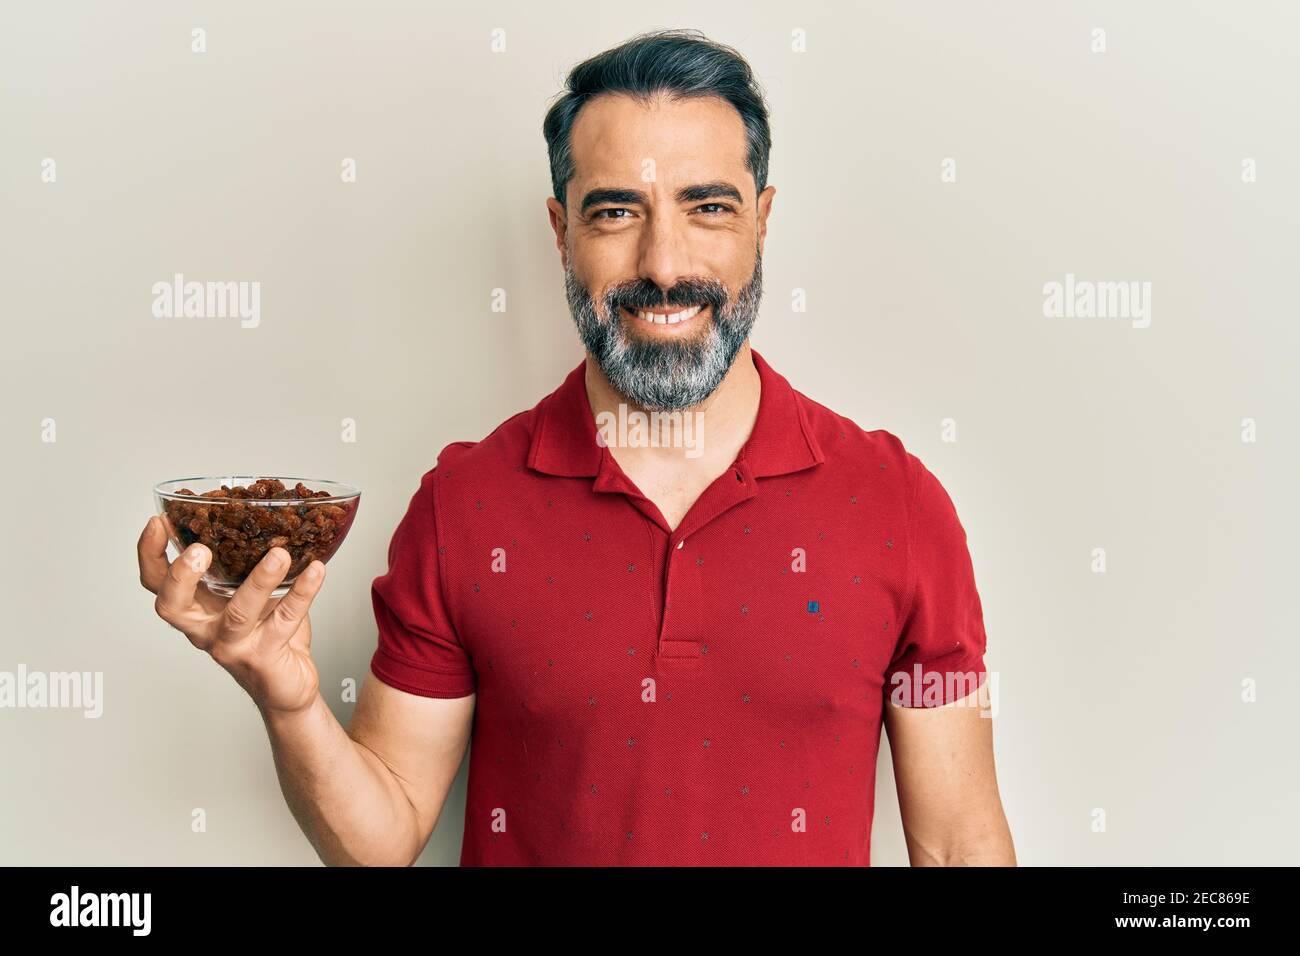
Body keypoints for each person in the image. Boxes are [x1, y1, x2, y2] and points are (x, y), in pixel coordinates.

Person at [138, 29, 1014, 866]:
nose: (664, 263)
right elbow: (383, 836)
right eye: (615, 211)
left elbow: (962, 847)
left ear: (762, 220)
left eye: (707, 207)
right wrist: (287, 701)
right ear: (560, 232)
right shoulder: (463, 505)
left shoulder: (900, 507)